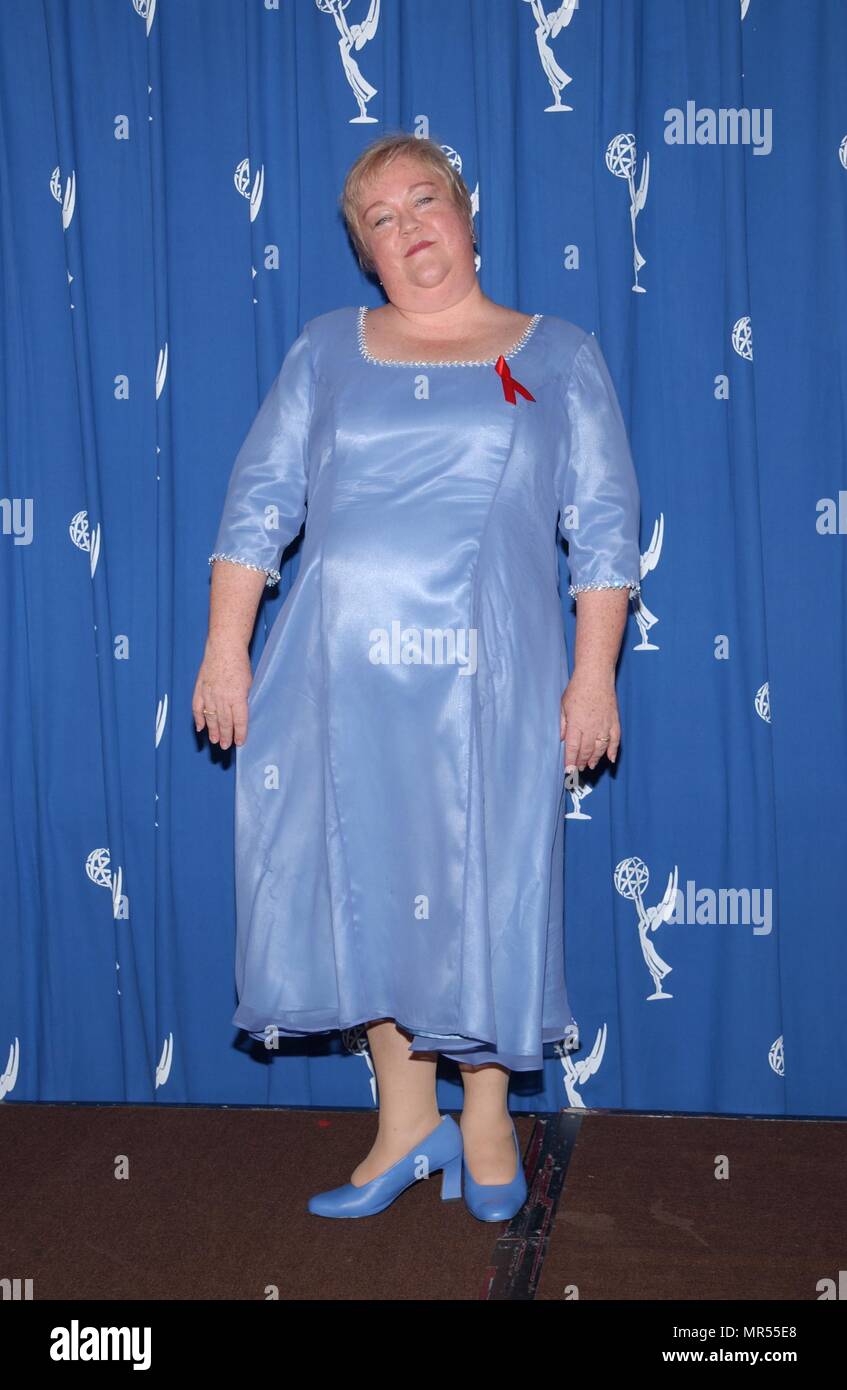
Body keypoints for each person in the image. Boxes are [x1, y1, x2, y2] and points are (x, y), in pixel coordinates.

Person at [192, 133, 641, 1222]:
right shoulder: (323, 350)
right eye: (378, 220)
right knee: (361, 890)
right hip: (335, 680)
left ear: (466, 216)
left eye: (422, 201)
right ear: (363, 253)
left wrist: (595, 677)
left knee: (487, 885)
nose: (407, 229)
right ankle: (405, 1120)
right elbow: (259, 504)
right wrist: (224, 648)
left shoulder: (558, 354)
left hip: (493, 680)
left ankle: (484, 1119)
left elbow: (605, 527)